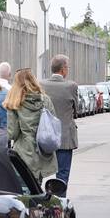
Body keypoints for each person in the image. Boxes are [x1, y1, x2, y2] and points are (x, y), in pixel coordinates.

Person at [5, 68, 58, 182]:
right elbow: (54, 123)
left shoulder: (14, 103)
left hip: (23, 152)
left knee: (24, 187)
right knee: (37, 187)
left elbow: (12, 134)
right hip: (42, 150)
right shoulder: (45, 100)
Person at [40, 55, 79, 186]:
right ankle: (60, 202)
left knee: (38, 172)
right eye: (67, 67)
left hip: (44, 136)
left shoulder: (41, 84)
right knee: (62, 175)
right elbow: (76, 110)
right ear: (63, 70)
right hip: (64, 137)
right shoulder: (71, 86)